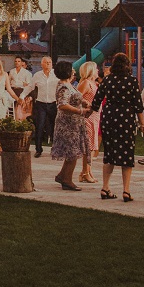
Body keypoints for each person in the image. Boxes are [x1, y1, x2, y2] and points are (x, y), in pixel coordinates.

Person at [91, 53, 144, 202]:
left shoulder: (107, 80)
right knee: (126, 154)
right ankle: (126, 190)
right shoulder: (132, 82)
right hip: (126, 119)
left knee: (109, 153)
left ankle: (105, 187)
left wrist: (87, 112)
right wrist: (142, 124)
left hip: (109, 118)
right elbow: (138, 105)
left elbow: (96, 102)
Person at [50, 60, 90, 191]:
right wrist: (80, 110)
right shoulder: (63, 86)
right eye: (72, 69)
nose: (74, 70)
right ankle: (67, 180)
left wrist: (83, 102)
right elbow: (62, 105)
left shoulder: (69, 85)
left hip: (74, 123)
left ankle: (63, 175)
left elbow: (74, 97)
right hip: (67, 124)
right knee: (73, 152)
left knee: (72, 151)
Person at [22, 56, 58, 158]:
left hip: (53, 103)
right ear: (42, 64)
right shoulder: (37, 75)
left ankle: (55, 149)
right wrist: (22, 96)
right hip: (41, 104)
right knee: (39, 126)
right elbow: (30, 87)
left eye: (49, 62)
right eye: (46, 62)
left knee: (54, 127)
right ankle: (38, 149)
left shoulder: (56, 75)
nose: (48, 64)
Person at [76, 61, 100, 183]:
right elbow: (75, 98)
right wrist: (85, 105)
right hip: (87, 118)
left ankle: (88, 171)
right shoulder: (85, 83)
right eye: (96, 69)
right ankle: (85, 172)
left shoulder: (94, 84)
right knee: (88, 146)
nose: (98, 71)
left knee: (91, 146)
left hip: (95, 117)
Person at [8, 57, 33, 121]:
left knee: (21, 99)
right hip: (12, 89)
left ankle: (19, 117)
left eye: (18, 61)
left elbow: (28, 85)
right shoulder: (12, 71)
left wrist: (20, 84)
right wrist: (22, 83)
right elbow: (8, 82)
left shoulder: (26, 73)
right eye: (15, 61)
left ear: (21, 62)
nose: (17, 63)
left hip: (21, 90)